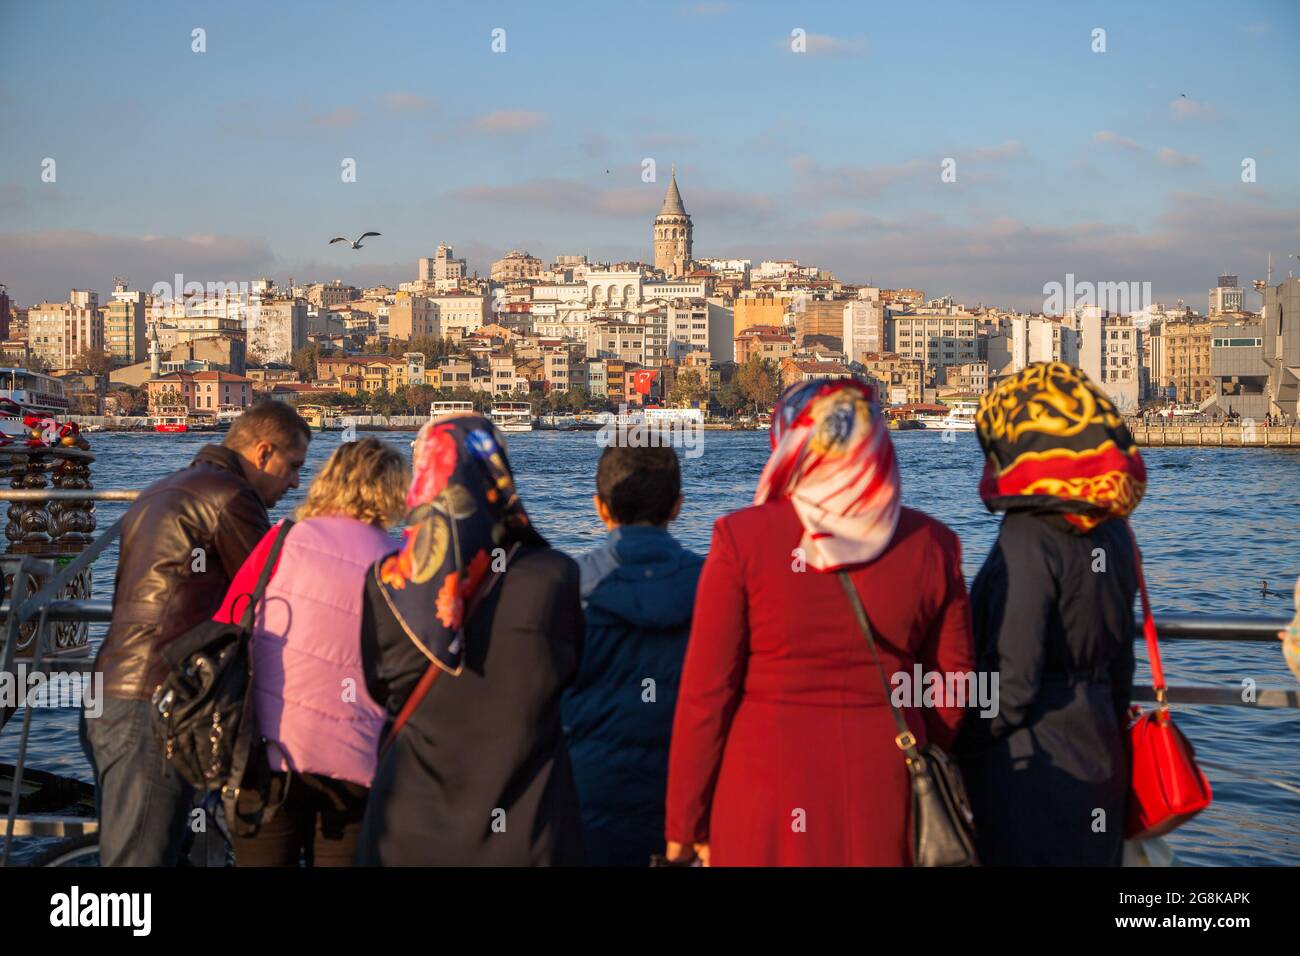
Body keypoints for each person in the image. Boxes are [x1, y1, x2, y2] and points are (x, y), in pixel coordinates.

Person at [664, 378, 974, 866]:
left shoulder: (743, 539)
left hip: (761, 788)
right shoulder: (934, 544)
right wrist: (917, 741)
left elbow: (706, 694)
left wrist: (685, 822)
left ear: (790, 443)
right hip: (886, 788)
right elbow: (952, 689)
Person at [83, 402, 310, 866]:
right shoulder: (229, 498)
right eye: (293, 467)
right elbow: (271, 592)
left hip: (115, 689)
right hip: (160, 700)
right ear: (264, 452)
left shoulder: (161, 490)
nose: (294, 483)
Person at [355, 413, 586, 865]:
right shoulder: (554, 574)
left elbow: (378, 685)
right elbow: (569, 675)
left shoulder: (385, 584)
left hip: (408, 826)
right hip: (527, 827)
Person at [956, 361, 1143, 866]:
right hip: (1101, 754)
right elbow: (1122, 663)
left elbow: (1013, 683)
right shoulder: (1114, 530)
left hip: (1036, 768)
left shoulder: (1028, 532)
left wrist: (958, 742)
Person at [211, 437, 408, 866]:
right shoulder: (403, 562)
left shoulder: (281, 540)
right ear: (394, 491)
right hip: (359, 757)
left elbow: (229, 622)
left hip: (267, 750)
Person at [561, 444, 703, 866]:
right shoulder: (714, 584)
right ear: (677, 508)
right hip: (681, 803)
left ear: (600, 509)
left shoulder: (568, 587)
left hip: (587, 797)